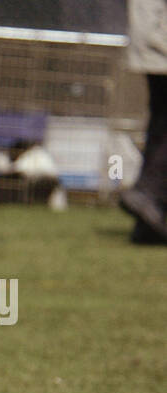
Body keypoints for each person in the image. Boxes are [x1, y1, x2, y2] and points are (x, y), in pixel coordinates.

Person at [121, 0, 167, 244]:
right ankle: (147, 193)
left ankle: (147, 226)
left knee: (159, 126)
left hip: (150, 40)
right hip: (159, 39)